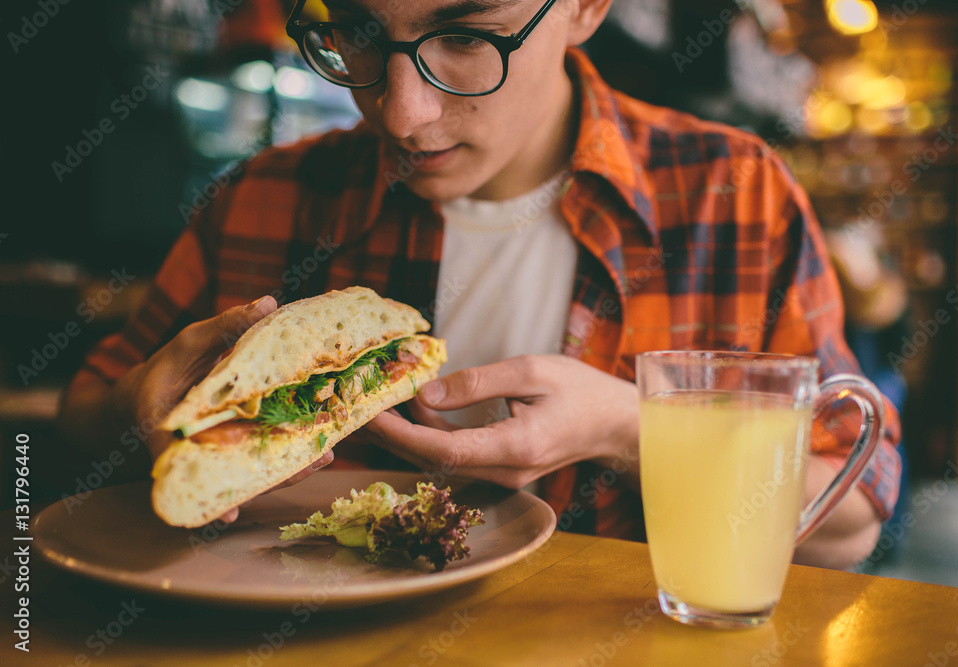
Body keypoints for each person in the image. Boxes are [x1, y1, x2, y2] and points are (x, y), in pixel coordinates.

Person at [59, 0, 902, 569]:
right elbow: (76, 438)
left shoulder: (734, 195)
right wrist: (143, 411)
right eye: (352, 30)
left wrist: (629, 428)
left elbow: (853, 519)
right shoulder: (261, 198)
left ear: (584, 7)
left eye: (465, 36)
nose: (399, 112)